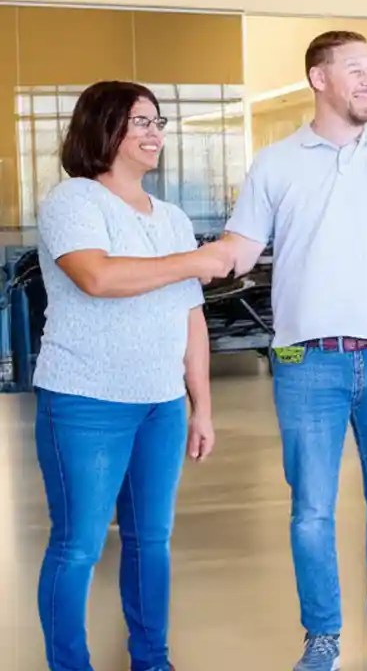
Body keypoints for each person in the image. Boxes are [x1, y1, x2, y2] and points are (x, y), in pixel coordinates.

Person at [218, 30, 367, 671]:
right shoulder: (274, 163)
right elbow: (238, 252)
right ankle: (322, 634)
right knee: (311, 511)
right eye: (354, 70)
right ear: (319, 78)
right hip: (305, 362)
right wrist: (167, 260)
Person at [32, 80, 233, 671]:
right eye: (139, 121)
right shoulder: (73, 202)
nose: (154, 133)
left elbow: (190, 315)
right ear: (102, 129)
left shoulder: (169, 217)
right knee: (78, 546)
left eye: (158, 122)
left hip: (161, 404)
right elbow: (97, 277)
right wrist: (196, 259)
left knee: (151, 542)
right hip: (86, 400)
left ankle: (153, 659)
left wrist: (202, 407)